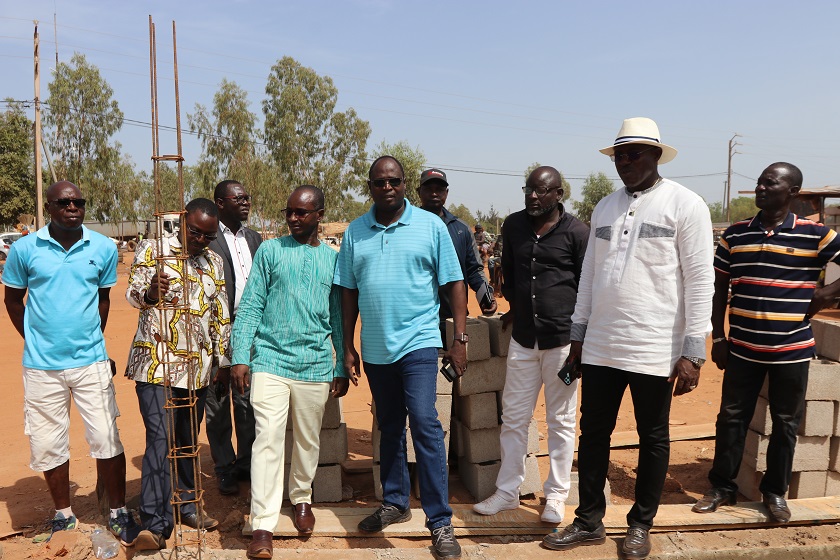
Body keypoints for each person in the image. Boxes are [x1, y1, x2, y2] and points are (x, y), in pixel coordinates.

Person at [543, 118, 714, 559]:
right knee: (594, 433)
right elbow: (589, 278)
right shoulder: (604, 208)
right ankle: (588, 522)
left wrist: (693, 351)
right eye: (619, 154)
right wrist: (578, 338)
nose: (625, 162)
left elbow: (699, 281)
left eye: (634, 153)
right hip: (601, 343)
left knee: (651, 436)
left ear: (657, 155)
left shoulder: (686, 205)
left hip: (655, 348)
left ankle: (640, 525)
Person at [691, 162, 840, 523]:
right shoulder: (735, 234)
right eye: (758, 182)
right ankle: (721, 488)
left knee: (785, 423)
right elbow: (718, 288)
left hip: (792, 350)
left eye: (769, 183)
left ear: (791, 192)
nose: (760, 188)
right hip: (742, 348)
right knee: (731, 419)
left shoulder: (816, 234)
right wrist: (720, 336)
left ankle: (774, 493)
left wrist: (826, 294)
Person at [335, 156, 467, 560]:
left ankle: (440, 521)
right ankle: (394, 502)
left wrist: (458, 337)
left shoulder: (431, 226)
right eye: (379, 182)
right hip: (376, 348)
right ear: (370, 186)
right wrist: (347, 346)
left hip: (420, 342)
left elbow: (455, 282)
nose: (387, 188)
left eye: (393, 181)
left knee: (425, 422)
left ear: (404, 184)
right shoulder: (355, 232)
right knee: (389, 424)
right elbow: (348, 294)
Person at [3, 181, 140, 546]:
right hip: (41, 366)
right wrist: (35, 340)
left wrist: (92, 340)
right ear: (49, 207)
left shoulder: (102, 247)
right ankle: (63, 513)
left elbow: (103, 299)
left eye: (79, 201)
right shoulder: (25, 249)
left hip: (90, 361)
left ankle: (117, 511)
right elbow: (14, 300)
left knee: (106, 436)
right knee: (47, 442)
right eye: (65, 202)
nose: (73, 207)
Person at [231, 185, 350, 559]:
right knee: (266, 438)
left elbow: (337, 316)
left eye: (302, 212)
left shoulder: (332, 260)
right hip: (270, 360)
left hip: (315, 363)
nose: (294, 218)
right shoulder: (269, 251)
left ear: (319, 215)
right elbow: (250, 306)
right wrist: (240, 356)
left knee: (307, 439)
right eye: (289, 212)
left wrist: (340, 361)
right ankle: (263, 523)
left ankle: (301, 498)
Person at [473, 166, 588, 524]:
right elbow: (508, 270)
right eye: (529, 190)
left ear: (559, 194)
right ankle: (507, 492)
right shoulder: (513, 225)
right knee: (514, 419)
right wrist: (513, 309)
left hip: (562, 344)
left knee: (561, 421)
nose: (533, 196)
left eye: (542, 191)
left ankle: (555, 496)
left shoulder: (577, 233)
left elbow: (587, 286)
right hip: (524, 339)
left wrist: (581, 344)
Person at [125, 198, 231, 551]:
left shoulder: (213, 261)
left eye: (208, 235)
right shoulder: (153, 250)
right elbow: (133, 293)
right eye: (195, 232)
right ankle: (154, 524)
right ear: (183, 220)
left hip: (197, 371)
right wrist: (150, 293)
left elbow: (220, 317)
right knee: (160, 437)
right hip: (156, 365)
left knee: (186, 440)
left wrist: (223, 363)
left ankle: (187, 504)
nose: (200, 240)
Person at [205, 179, 262, 496]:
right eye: (238, 198)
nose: (245, 202)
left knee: (247, 399)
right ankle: (224, 467)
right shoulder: (208, 237)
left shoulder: (254, 238)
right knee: (218, 398)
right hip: (216, 325)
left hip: (249, 326)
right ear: (220, 203)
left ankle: (247, 462)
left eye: (247, 197)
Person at [417, 167, 497, 345]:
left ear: (446, 193)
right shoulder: (408, 226)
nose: (434, 193)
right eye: (428, 189)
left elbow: (474, 269)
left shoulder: (461, 229)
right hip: (417, 323)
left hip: (453, 320)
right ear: (419, 192)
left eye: (439, 189)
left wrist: (486, 296)